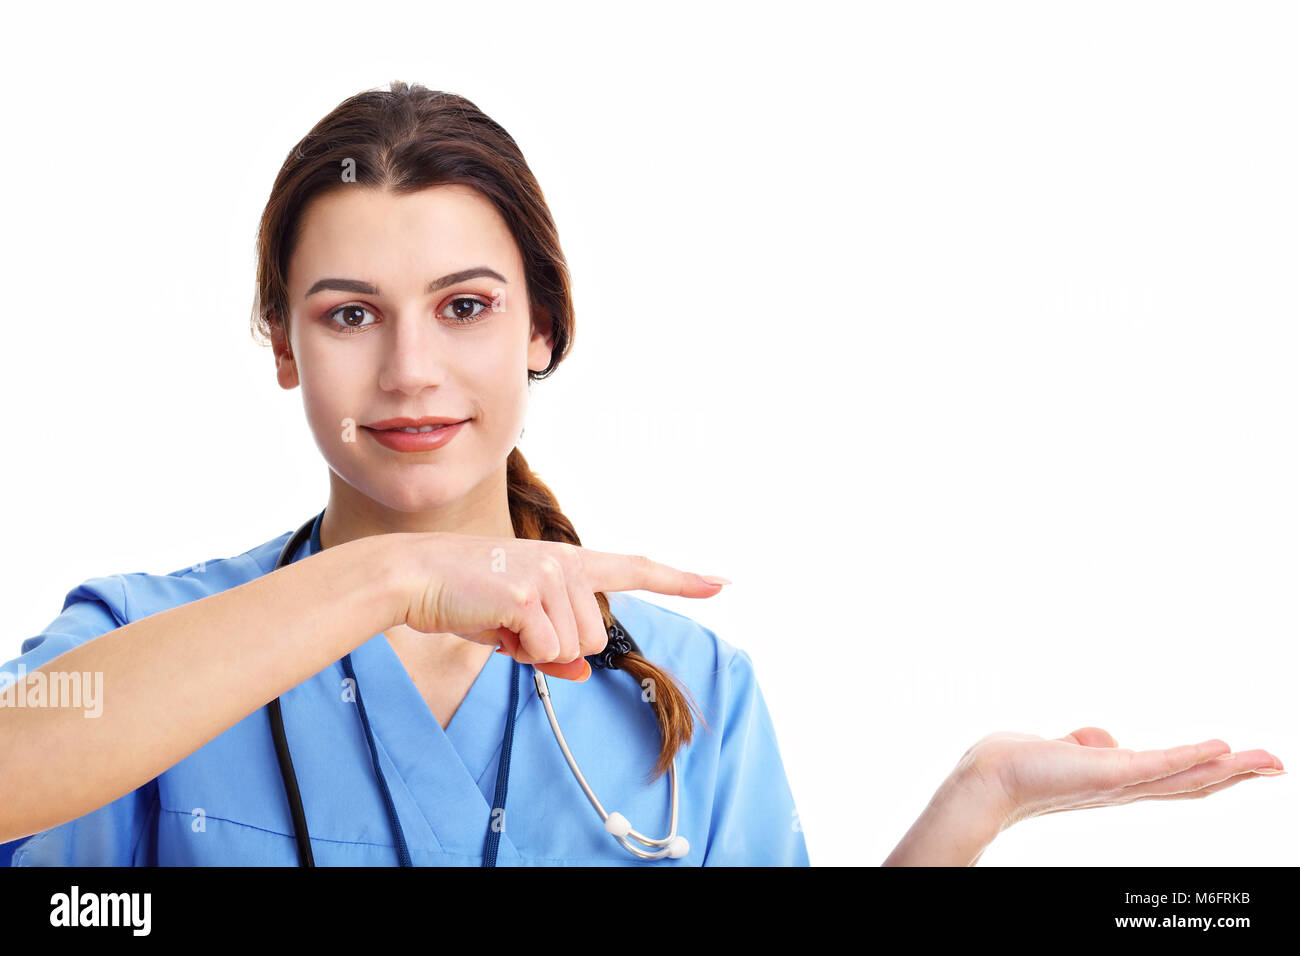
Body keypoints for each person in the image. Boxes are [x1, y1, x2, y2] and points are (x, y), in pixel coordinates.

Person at [0, 83, 1283, 867]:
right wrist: (387, 580)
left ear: (542, 328)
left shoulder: (685, 688)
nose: (408, 371)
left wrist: (972, 805)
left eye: (463, 305)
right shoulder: (146, 641)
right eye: (347, 315)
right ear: (282, 345)